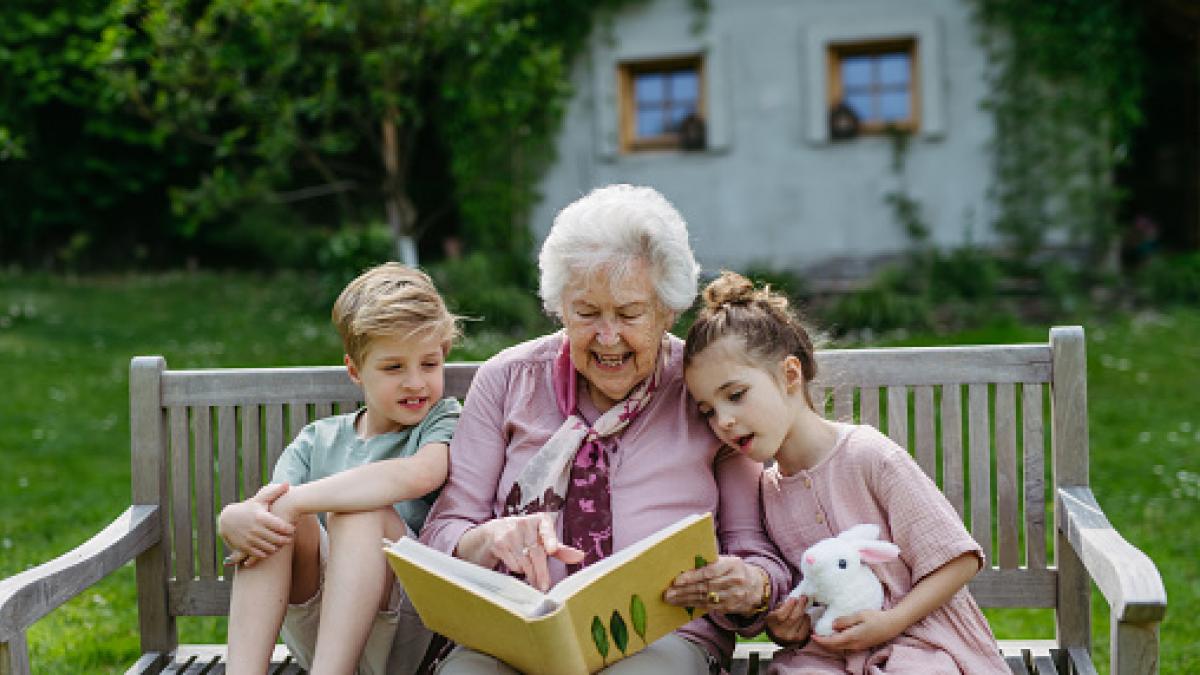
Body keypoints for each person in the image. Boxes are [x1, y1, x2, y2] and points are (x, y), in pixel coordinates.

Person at [419, 184, 788, 674]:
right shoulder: (508, 380)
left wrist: (750, 584)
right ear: (560, 307)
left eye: (630, 313)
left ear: (668, 310)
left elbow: (756, 555)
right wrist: (487, 539)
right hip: (515, 632)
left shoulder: (704, 390)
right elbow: (443, 533)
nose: (607, 337)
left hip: (661, 635)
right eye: (587, 313)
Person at [682, 271, 1010, 674]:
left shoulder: (867, 454)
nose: (725, 421)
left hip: (922, 641)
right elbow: (804, 596)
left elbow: (959, 560)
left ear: (789, 375)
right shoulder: (765, 491)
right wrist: (787, 629)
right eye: (708, 411)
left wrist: (890, 622)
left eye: (735, 396)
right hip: (833, 654)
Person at [218, 262, 462, 675]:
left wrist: (298, 501)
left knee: (361, 513)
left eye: (429, 364)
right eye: (393, 367)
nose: (416, 383)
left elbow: (420, 475)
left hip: (406, 630)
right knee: (276, 520)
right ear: (354, 370)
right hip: (318, 632)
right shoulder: (318, 439)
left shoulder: (442, 419)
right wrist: (232, 518)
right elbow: (272, 507)